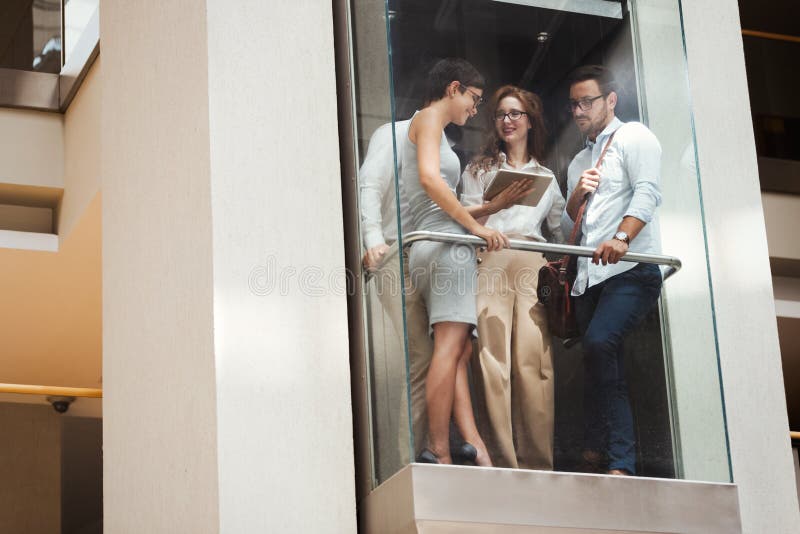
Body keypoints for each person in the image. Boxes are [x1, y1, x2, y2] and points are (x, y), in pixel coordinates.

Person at [403, 58, 530, 465]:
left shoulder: (431, 129)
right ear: (453, 88)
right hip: (447, 248)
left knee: (457, 351)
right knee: (450, 347)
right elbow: (429, 178)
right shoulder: (428, 120)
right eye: (474, 99)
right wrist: (475, 230)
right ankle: (439, 449)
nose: (475, 110)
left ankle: (465, 446)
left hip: (430, 245)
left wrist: (491, 207)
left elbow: (440, 203)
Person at [562, 65, 663, 476]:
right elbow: (574, 221)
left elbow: (648, 191)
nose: (579, 110)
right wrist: (576, 195)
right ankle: (609, 455)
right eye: (574, 104)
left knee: (600, 344)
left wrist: (622, 239)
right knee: (601, 362)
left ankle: (614, 454)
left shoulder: (634, 136)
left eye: (587, 101)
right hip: (590, 278)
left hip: (631, 270)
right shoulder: (578, 162)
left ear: (610, 100)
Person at [461, 85, 565, 470]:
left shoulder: (548, 177)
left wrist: (579, 201)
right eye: (501, 114)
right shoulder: (479, 169)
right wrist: (494, 205)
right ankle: (503, 461)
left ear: (530, 121)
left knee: (533, 361)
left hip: (532, 261)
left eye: (515, 113)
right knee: (493, 359)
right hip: (491, 257)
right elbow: (464, 222)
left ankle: (538, 464)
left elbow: (559, 230)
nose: (507, 120)